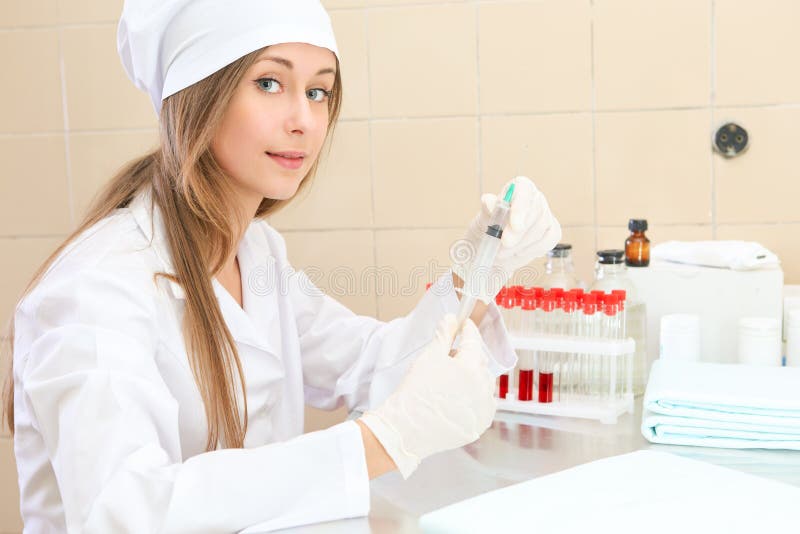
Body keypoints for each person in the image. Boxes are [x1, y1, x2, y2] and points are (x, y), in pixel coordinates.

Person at [2, 1, 561, 532]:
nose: (305, 121)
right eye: (269, 83)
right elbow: (123, 512)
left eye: (319, 91)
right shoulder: (94, 286)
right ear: (198, 96)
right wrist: (378, 442)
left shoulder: (256, 252)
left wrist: (481, 271)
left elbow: (377, 368)